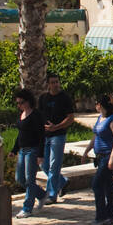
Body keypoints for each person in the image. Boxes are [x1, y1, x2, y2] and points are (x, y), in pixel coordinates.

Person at [37, 72, 75, 205]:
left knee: (54, 166)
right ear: (48, 84)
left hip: (58, 136)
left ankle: (52, 194)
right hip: (45, 136)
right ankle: (62, 182)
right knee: (43, 165)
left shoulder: (65, 98)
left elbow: (70, 118)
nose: (55, 84)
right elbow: (39, 116)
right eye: (52, 82)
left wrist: (57, 127)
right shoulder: (43, 98)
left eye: (57, 82)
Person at [9, 87, 46, 219]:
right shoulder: (21, 115)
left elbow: (42, 136)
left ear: (29, 101)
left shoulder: (36, 115)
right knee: (20, 178)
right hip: (23, 150)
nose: (20, 105)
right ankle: (41, 194)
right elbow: (20, 134)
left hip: (32, 150)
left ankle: (27, 208)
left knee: (30, 179)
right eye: (18, 103)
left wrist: (40, 154)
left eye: (22, 102)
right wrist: (14, 149)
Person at [84, 95, 113, 225]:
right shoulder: (100, 118)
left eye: (96, 103)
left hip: (107, 156)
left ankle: (102, 216)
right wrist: (87, 151)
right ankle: (111, 214)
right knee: (108, 186)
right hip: (99, 156)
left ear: (100, 104)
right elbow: (95, 136)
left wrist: (112, 157)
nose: (95, 106)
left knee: (96, 184)